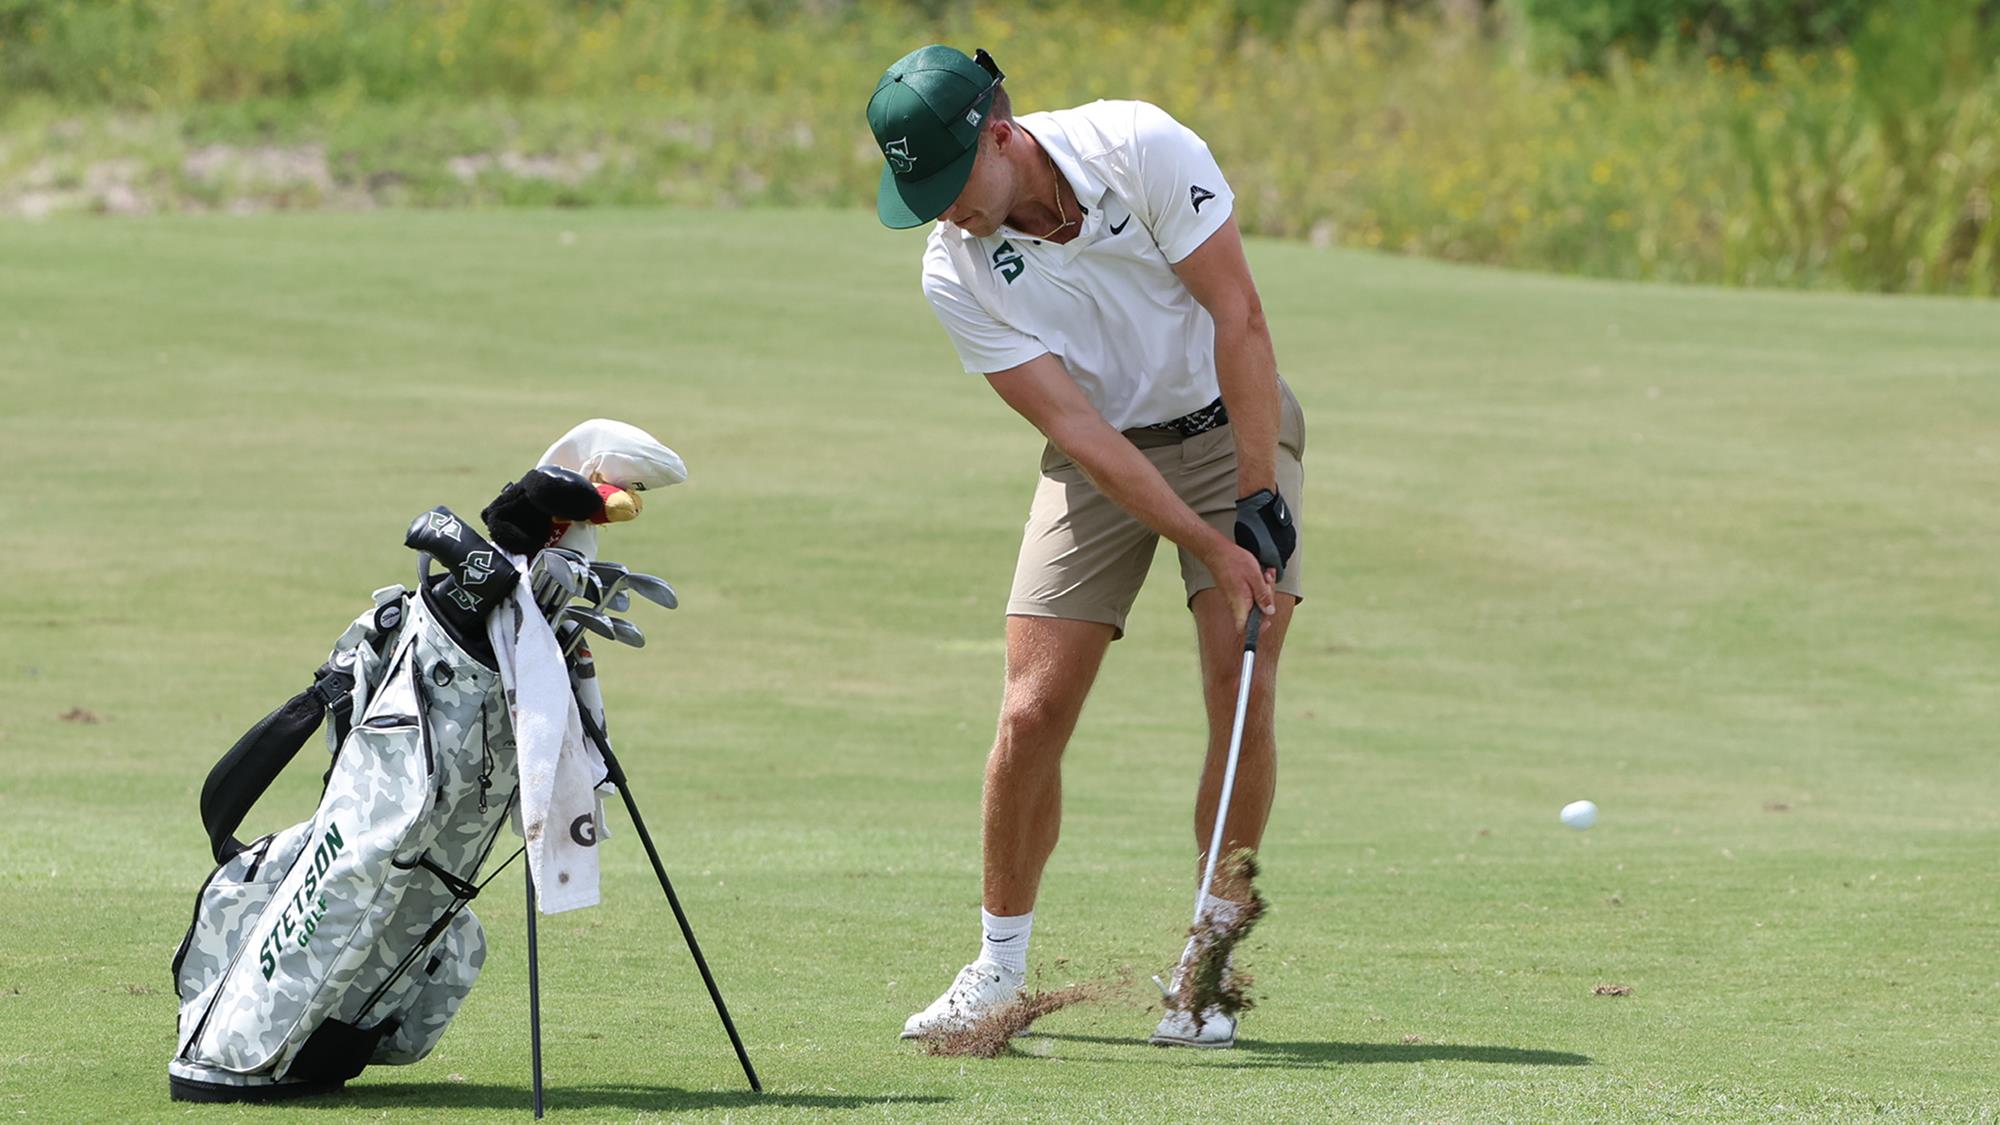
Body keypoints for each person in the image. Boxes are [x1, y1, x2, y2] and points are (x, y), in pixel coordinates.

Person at [867, 44, 1305, 1049]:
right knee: (1030, 707)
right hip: (1103, 454)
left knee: (1239, 681)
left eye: (949, 183)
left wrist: (1254, 499)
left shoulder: (1140, 146)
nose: (944, 213)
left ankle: (1206, 962)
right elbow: (1079, 432)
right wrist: (1203, 541)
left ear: (1000, 136)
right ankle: (996, 968)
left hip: (1230, 421)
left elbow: (1237, 315)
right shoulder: (952, 268)